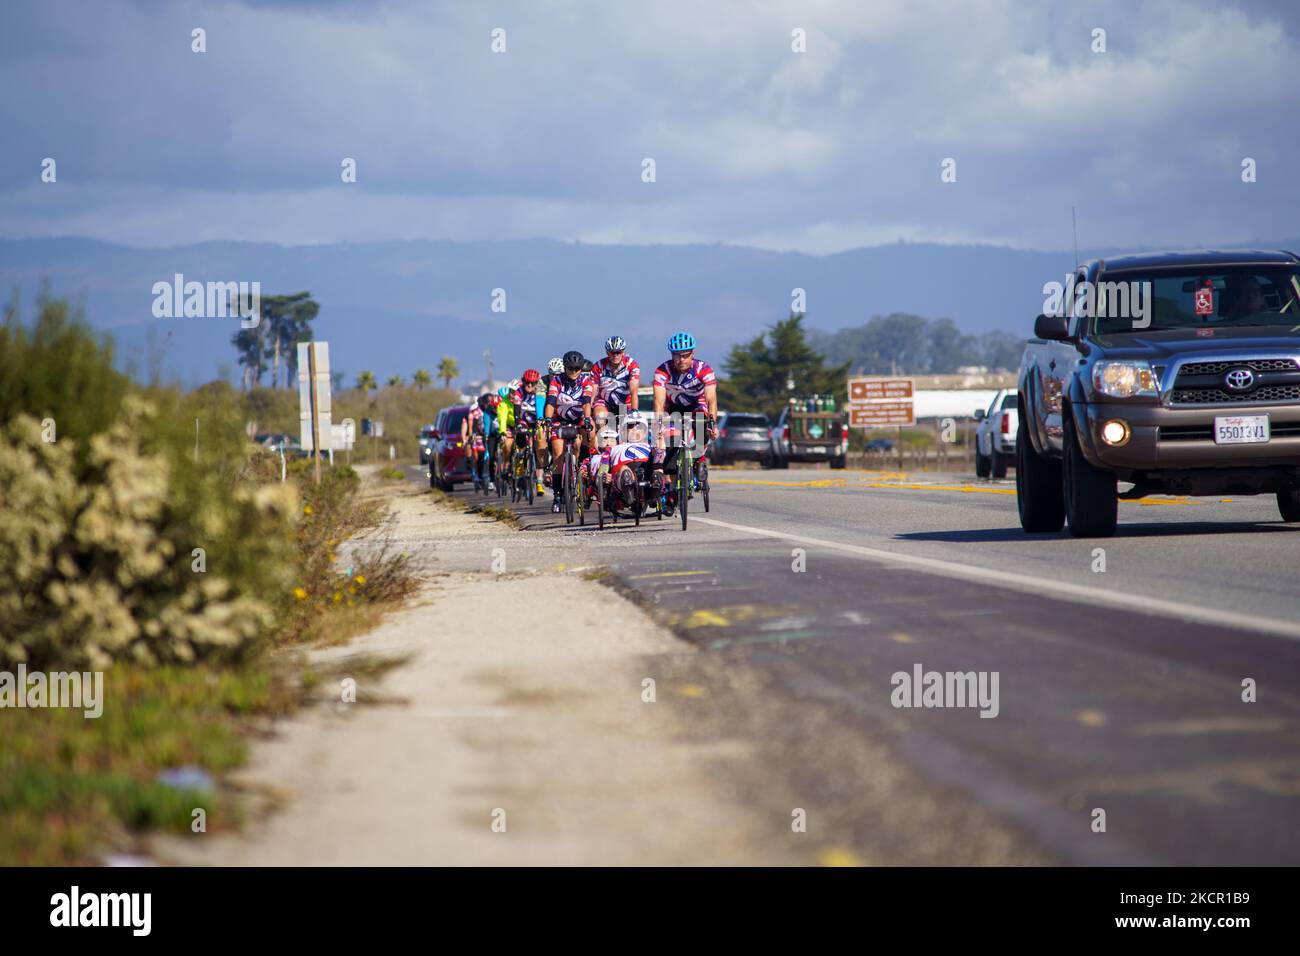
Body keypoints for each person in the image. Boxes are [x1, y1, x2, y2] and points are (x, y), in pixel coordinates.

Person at [651, 332, 718, 516]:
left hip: (697, 404)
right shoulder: (662, 371)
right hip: (672, 407)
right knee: (671, 442)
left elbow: (711, 399)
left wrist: (713, 423)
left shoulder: (704, 370)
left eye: (685, 355)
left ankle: (699, 459)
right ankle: (672, 492)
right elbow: (658, 401)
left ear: (693, 354)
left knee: (703, 422)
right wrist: (658, 424)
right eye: (676, 355)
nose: (681, 359)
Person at [544, 350, 596, 512]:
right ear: (565, 368)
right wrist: (547, 419)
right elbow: (551, 401)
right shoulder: (557, 381)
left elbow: (587, 402)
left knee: (590, 432)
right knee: (559, 456)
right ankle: (558, 495)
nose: (573, 372)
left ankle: (586, 465)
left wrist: (587, 419)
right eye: (570, 368)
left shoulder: (586, 381)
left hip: (579, 418)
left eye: (577, 368)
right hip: (559, 419)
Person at [502, 371, 548, 495]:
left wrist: (541, 422)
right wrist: (518, 424)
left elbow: (540, 408)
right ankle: (520, 462)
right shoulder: (519, 392)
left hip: (536, 420)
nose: (529, 385)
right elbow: (516, 411)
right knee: (521, 440)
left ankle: (539, 481)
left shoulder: (541, 390)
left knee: (539, 447)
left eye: (532, 383)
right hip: (524, 420)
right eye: (527, 382)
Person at [591, 335, 641, 431]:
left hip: (624, 403)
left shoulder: (632, 365)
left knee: (629, 430)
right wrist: (587, 414)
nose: (615, 355)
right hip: (604, 402)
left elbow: (634, 391)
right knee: (599, 418)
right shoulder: (599, 366)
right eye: (612, 352)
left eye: (618, 352)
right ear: (607, 352)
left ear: (623, 352)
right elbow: (592, 392)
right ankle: (603, 443)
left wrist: (634, 411)